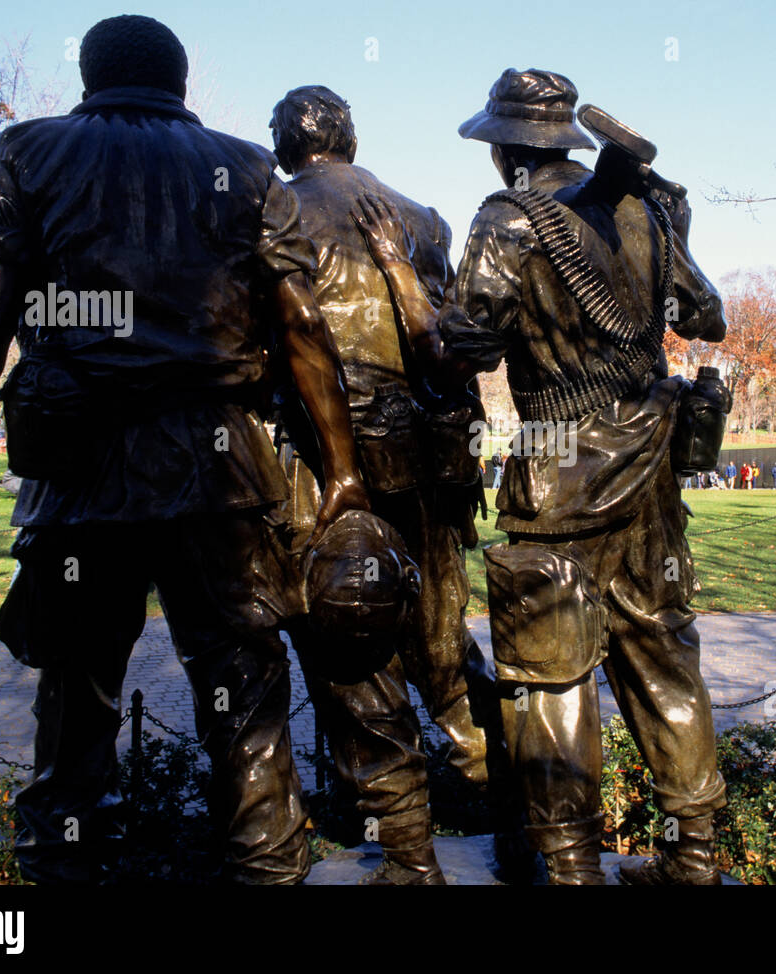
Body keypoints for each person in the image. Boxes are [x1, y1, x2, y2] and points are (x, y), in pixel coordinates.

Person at [0, 15, 371, 884]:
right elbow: (302, 327)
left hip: (82, 474)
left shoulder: (24, 155)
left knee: (75, 704)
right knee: (244, 702)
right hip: (217, 471)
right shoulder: (249, 169)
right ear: (180, 83)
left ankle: (67, 870)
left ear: (89, 77)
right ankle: (266, 867)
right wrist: (342, 474)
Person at [352, 67, 728, 884]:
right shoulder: (642, 210)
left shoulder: (509, 221)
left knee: (550, 674)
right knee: (662, 654)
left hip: (564, 469)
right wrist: (669, 222)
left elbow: (464, 348)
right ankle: (693, 854)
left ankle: (568, 866)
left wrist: (407, 283)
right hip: (653, 458)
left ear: (504, 149)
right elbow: (707, 317)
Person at [269, 84, 508, 883]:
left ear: (283, 142)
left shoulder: (271, 209)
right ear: (349, 136)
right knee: (442, 644)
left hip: (324, 464)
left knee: (353, 644)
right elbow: (446, 347)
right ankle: (520, 814)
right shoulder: (422, 217)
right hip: (428, 458)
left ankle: (403, 848)